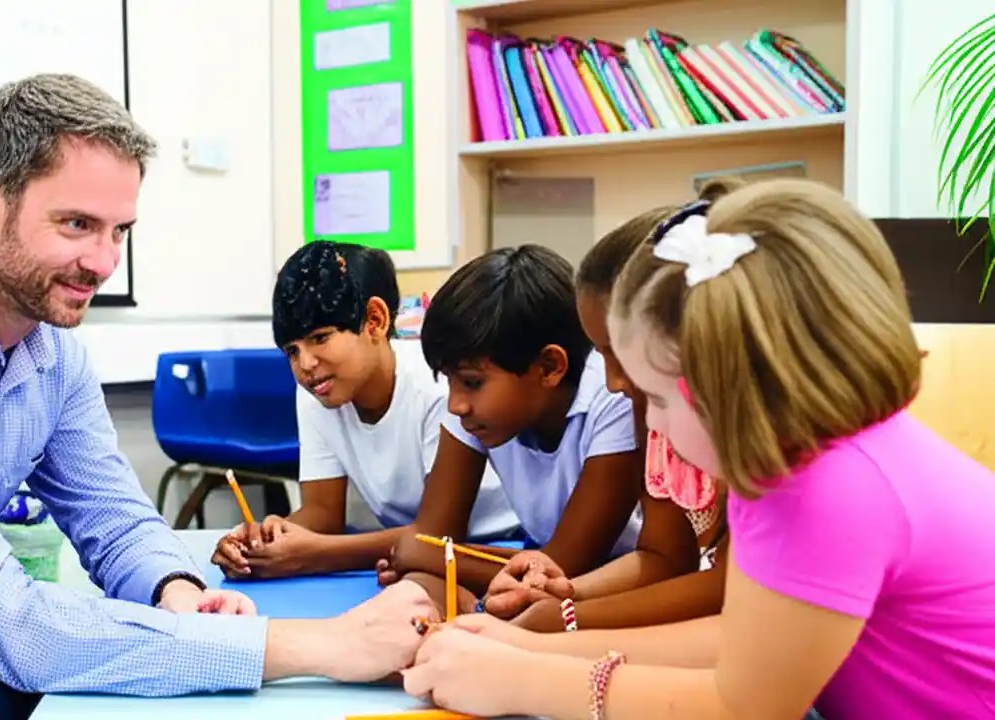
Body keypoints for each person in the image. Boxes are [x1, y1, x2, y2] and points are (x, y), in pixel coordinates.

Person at [0, 73, 438, 719]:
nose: (103, 262)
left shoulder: (52, 352)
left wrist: (180, 594)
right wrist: (317, 646)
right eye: (77, 225)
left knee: (92, 678)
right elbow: (5, 619)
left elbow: (114, 519)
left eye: (120, 231)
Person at [399, 179, 995, 719]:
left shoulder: (830, 489)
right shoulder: (791, 470)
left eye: (655, 397)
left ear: (719, 385)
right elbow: (740, 638)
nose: (648, 418)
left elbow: (744, 705)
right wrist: (524, 647)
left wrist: (520, 679)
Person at [484, 182, 741, 632]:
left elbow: (731, 590)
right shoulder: (657, 418)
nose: (612, 382)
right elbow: (665, 556)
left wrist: (566, 619)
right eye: (600, 354)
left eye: (618, 352)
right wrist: (565, 591)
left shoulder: (764, 445)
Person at [378, 245, 687, 606]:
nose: (455, 404)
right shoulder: (475, 408)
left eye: (472, 382)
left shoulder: (613, 400)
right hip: (547, 570)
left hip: (614, 581)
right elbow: (432, 536)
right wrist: (429, 557)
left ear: (550, 367)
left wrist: (434, 559)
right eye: (449, 380)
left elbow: (563, 567)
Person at [211, 241, 519, 579]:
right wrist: (261, 543)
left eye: (320, 338)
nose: (306, 364)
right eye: (292, 351)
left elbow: (437, 535)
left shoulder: (439, 386)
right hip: (415, 554)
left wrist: (310, 555)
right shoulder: (318, 392)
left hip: (501, 547)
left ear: (375, 320)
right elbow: (322, 513)